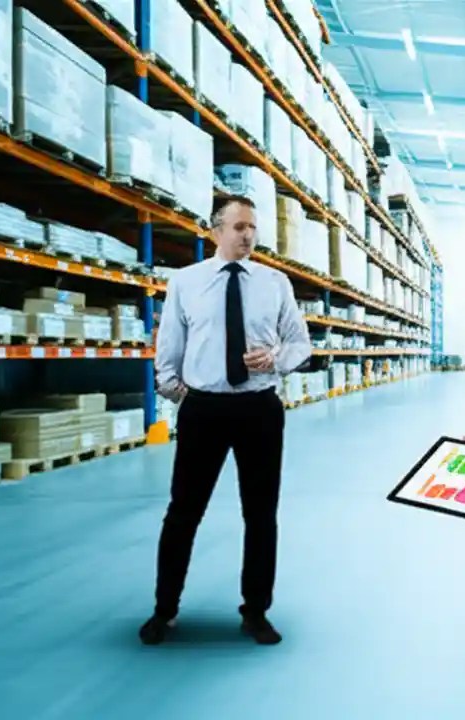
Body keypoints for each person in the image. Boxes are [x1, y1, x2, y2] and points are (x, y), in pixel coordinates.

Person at [139, 195, 312, 646]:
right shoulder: (187, 282)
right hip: (205, 409)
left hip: (259, 408)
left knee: (260, 514)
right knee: (183, 512)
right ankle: (164, 609)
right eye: (238, 227)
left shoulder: (275, 283)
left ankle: (256, 610)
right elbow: (169, 345)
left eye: (252, 227)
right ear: (215, 231)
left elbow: (301, 344)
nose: (248, 235)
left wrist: (274, 359)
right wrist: (178, 391)